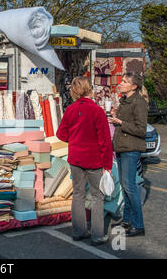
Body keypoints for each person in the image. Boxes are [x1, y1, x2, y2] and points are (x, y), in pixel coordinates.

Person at [57, 76, 113, 246]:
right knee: (97, 196)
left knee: (78, 194)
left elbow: (61, 134)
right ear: (89, 89)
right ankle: (97, 235)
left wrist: (74, 140)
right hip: (94, 160)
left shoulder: (70, 110)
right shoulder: (97, 111)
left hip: (75, 158)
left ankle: (78, 231)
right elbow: (105, 141)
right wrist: (108, 165)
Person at [108, 72, 148, 237]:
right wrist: (116, 117)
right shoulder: (125, 100)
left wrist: (120, 123)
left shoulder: (139, 102)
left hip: (131, 149)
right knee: (125, 187)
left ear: (133, 86)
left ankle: (138, 225)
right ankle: (127, 221)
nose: (121, 83)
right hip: (122, 147)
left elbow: (141, 129)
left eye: (124, 82)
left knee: (130, 187)